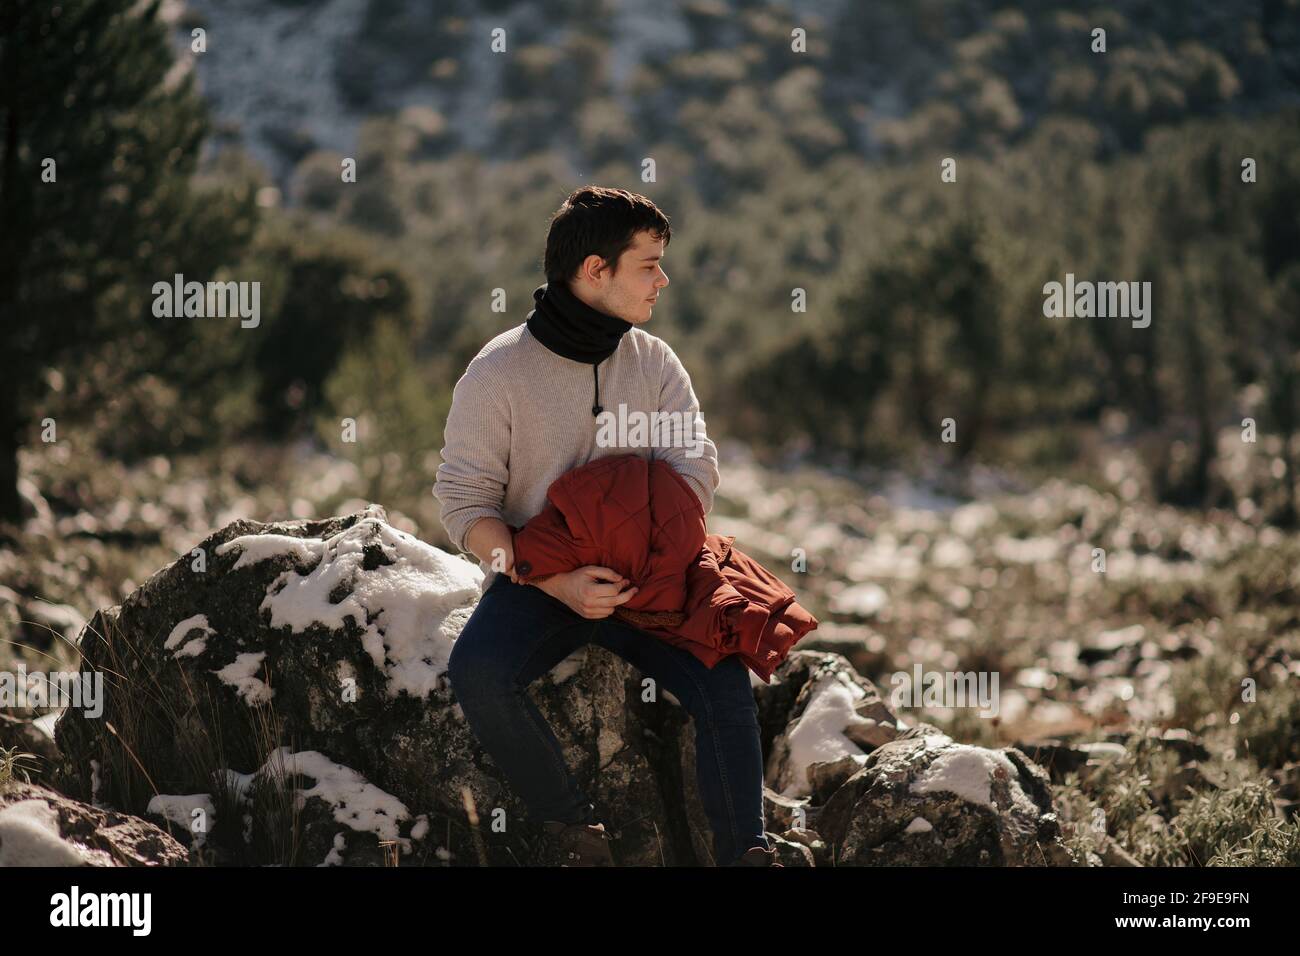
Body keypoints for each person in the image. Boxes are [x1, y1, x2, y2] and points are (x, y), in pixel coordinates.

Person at [434, 185, 777, 867]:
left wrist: (635, 543)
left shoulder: (654, 363)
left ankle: (749, 853)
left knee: (725, 679)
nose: (663, 279)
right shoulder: (498, 372)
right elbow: (466, 506)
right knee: (477, 670)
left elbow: (695, 468)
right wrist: (552, 578)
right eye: (648, 264)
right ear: (595, 270)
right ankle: (574, 831)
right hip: (540, 580)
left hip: (655, 574)